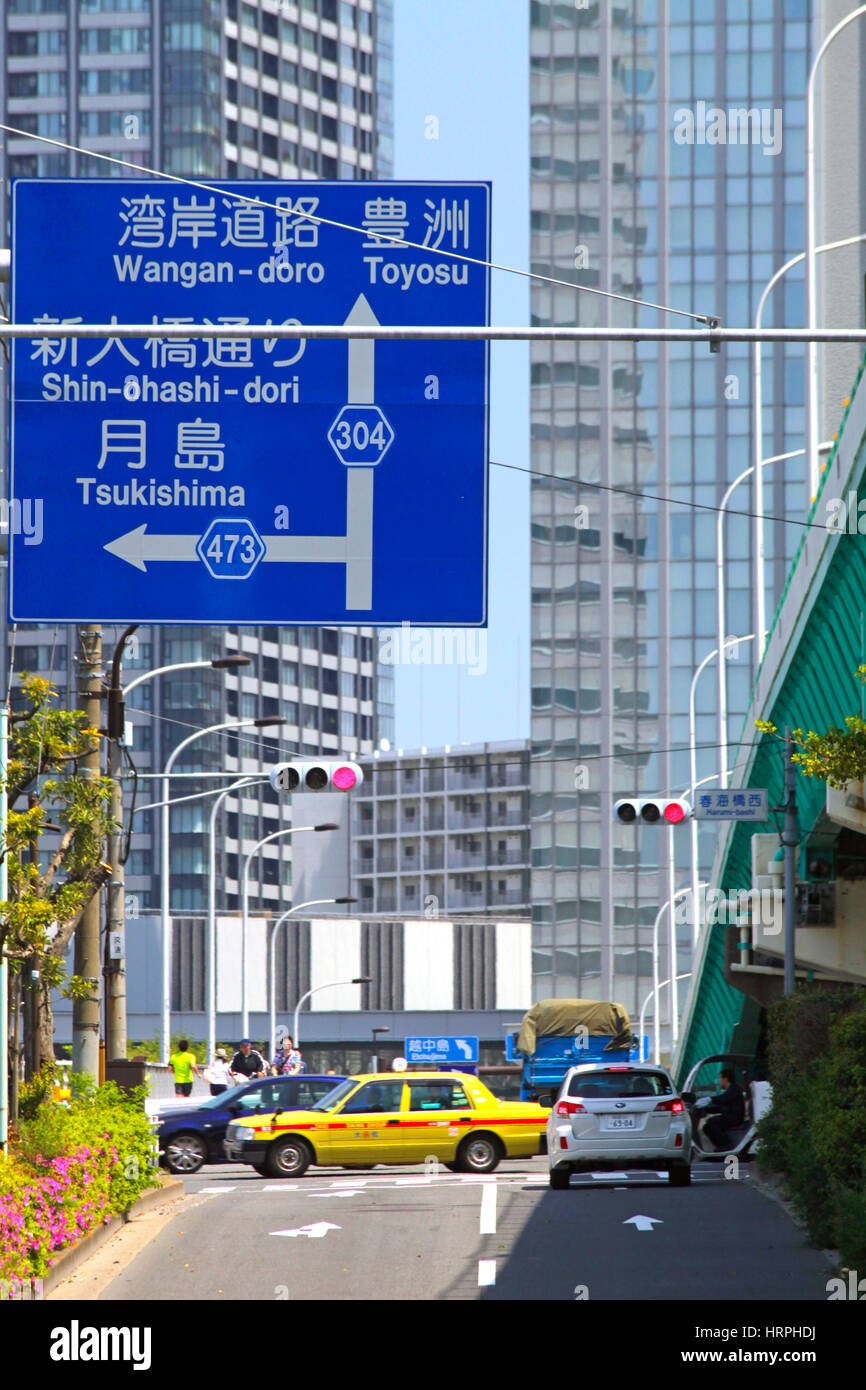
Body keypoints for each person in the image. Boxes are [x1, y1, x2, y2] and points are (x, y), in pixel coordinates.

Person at [702, 1068, 746, 1151]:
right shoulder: (730, 1090)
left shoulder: (734, 1089)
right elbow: (721, 1107)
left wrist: (710, 1099)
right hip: (730, 1117)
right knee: (707, 1127)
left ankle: (725, 1145)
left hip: (735, 1118)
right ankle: (720, 1146)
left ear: (725, 1079)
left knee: (712, 1122)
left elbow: (723, 1099)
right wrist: (706, 1109)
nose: (719, 1081)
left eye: (719, 1078)